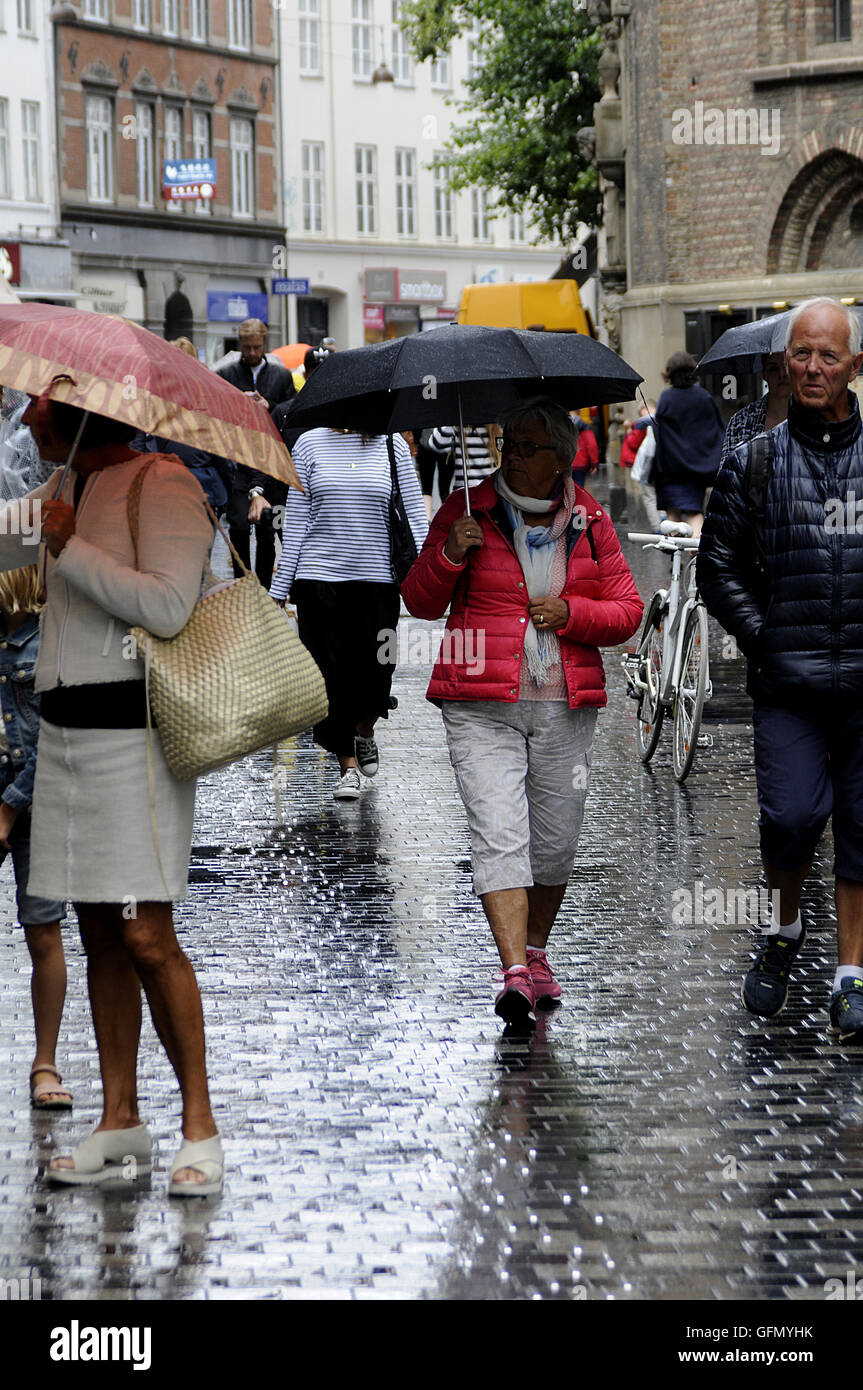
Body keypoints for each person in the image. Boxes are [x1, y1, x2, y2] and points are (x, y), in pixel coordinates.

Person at [3, 398, 222, 1193]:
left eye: (39, 406)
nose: (25, 417)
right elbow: (1, 541)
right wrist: (46, 531)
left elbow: (166, 605)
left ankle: (201, 1127)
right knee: (99, 933)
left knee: (147, 936)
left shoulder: (162, 483)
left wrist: (69, 547)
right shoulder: (66, 484)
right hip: (63, 744)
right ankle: (120, 1119)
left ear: (80, 415)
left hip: (133, 746)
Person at [401, 398, 643, 1026]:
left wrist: (573, 615)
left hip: (565, 702)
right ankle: (513, 970)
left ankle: (537, 952)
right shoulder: (468, 509)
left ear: (561, 459)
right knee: (499, 831)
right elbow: (421, 602)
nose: (513, 454)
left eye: (530, 447)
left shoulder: (590, 520)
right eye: (511, 442)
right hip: (479, 702)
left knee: (556, 842)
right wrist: (450, 553)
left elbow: (627, 610)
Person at [697, 296, 863, 1043]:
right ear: (782, 362)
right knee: (790, 818)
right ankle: (784, 928)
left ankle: (850, 978)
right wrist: (765, 637)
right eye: (801, 354)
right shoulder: (755, 460)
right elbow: (717, 567)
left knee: (861, 827)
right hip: (787, 686)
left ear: (852, 366)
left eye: (828, 356)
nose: (812, 368)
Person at [269, 428, 428, 801]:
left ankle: (365, 731)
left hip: (378, 581)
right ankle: (347, 767)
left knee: (377, 673)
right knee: (330, 676)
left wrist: (428, 575)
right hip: (318, 580)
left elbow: (414, 513)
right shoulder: (308, 444)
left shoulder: (392, 445)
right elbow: (296, 520)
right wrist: (279, 588)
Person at [0, 564, 71, 1110]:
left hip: (34, 801)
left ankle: (44, 1063)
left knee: (43, 929)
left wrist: (9, 806)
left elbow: (58, 729)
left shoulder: (50, 640)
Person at [216, 318, 295, 588]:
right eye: (247, 347)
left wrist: (269, 406)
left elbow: (289, 412)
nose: (251, 353)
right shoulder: (226, 374)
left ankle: (263, 586)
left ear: (264, 345)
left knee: (266, 528)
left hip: (269, 459)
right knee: (238, 524)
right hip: (237, 459)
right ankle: (242, 583)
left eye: (256, 347)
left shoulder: (280, 375)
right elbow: (216, 412)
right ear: (240, 345)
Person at [653, 351, 725, 537]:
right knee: (694, 512)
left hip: (671, 470)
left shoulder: (666, 398)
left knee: (673, 514)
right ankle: (696, 558)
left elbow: (659, 434)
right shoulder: (703, 397)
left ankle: (674, 561)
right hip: (697, 470)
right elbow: (716, 430)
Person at [718, 350, 791, 470]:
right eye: (773, 368)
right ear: (764, 375)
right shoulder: (741, 422)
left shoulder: (818, 416)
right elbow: (727, 478)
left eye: (787, 366)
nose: (782, 374)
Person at [427, 422, 500, 500]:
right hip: (465, 494)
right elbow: (437, 444)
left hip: (490, 493)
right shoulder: (459, 424)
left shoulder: (496, 425)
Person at [571, 415, 599, 488]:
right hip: (580, 464)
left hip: (566, 462)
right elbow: (592, 445)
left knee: (565, 490)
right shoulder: (585, 427)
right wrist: (594, 463)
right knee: (579, 489)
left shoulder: (562, 426)